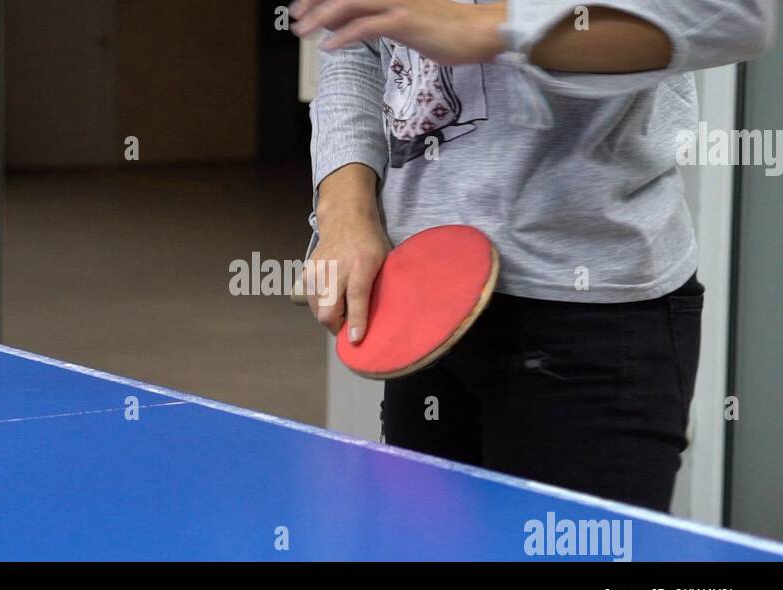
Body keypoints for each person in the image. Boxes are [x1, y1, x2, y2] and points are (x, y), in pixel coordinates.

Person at [292, 0, 776, 512]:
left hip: (591, 316)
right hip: (422, 299)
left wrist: (492, 25)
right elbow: (357, 41)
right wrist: (345, 208)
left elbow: (733, 16)